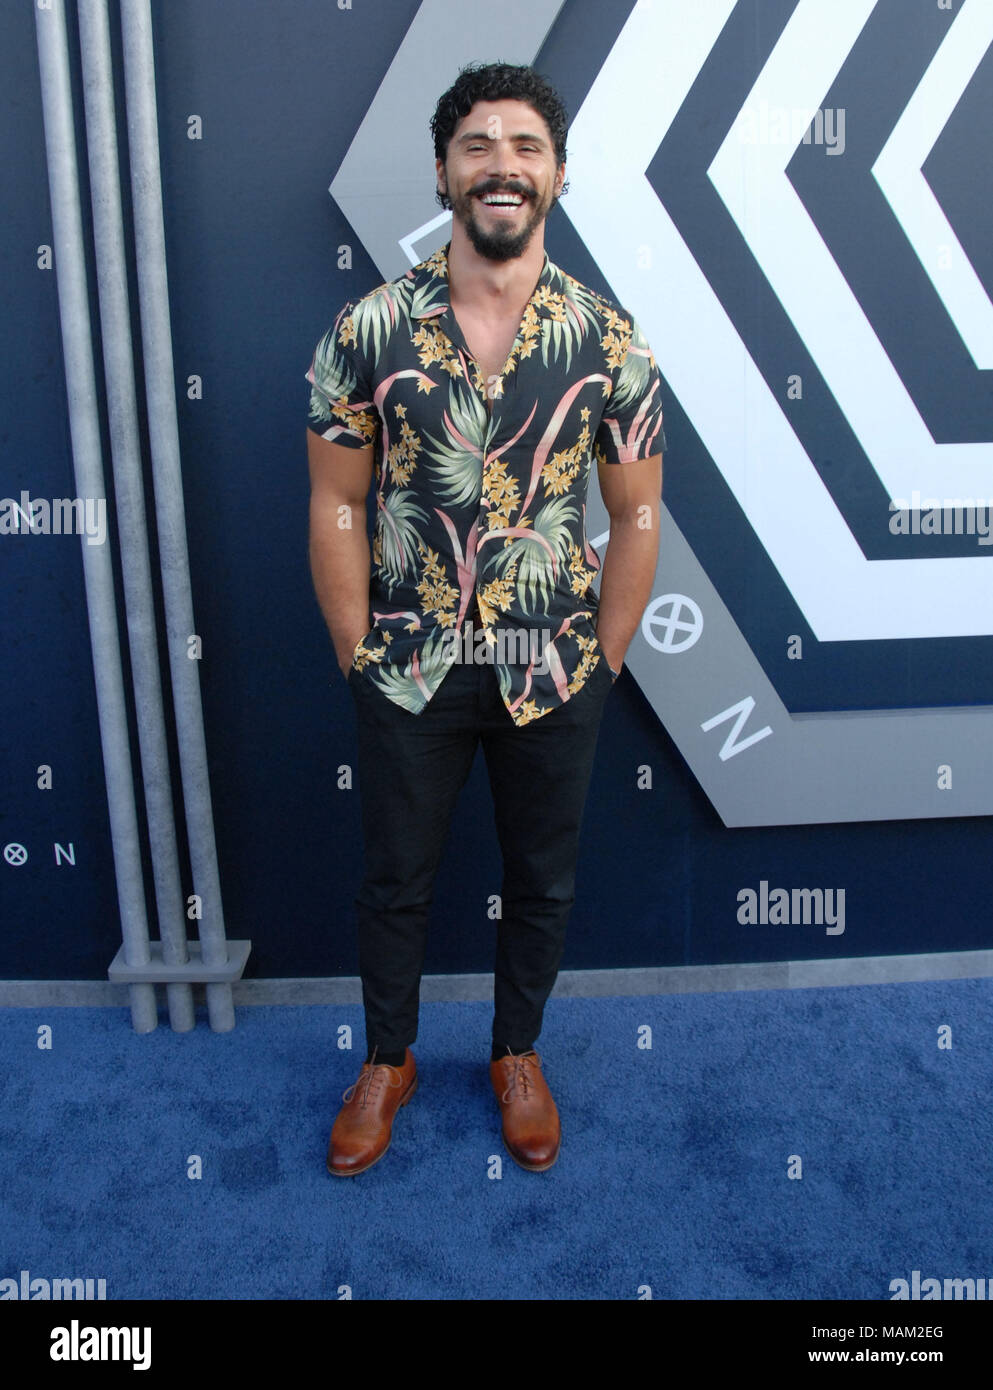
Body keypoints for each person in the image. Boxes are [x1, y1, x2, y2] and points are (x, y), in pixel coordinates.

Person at [305, 61, 664, 1176]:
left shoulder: (611, 341)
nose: (501, 164)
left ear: (557, 173)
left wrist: (604, 657)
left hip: (553, 667)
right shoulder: (370, 328)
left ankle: (518, 1054)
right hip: (410, 663)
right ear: (444, 170)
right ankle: (389, 1059)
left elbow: (639, 511)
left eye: (525, 146)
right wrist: (359, 651)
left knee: (543, 877)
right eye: (477, 144)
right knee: (394, 876)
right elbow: (334, 499)